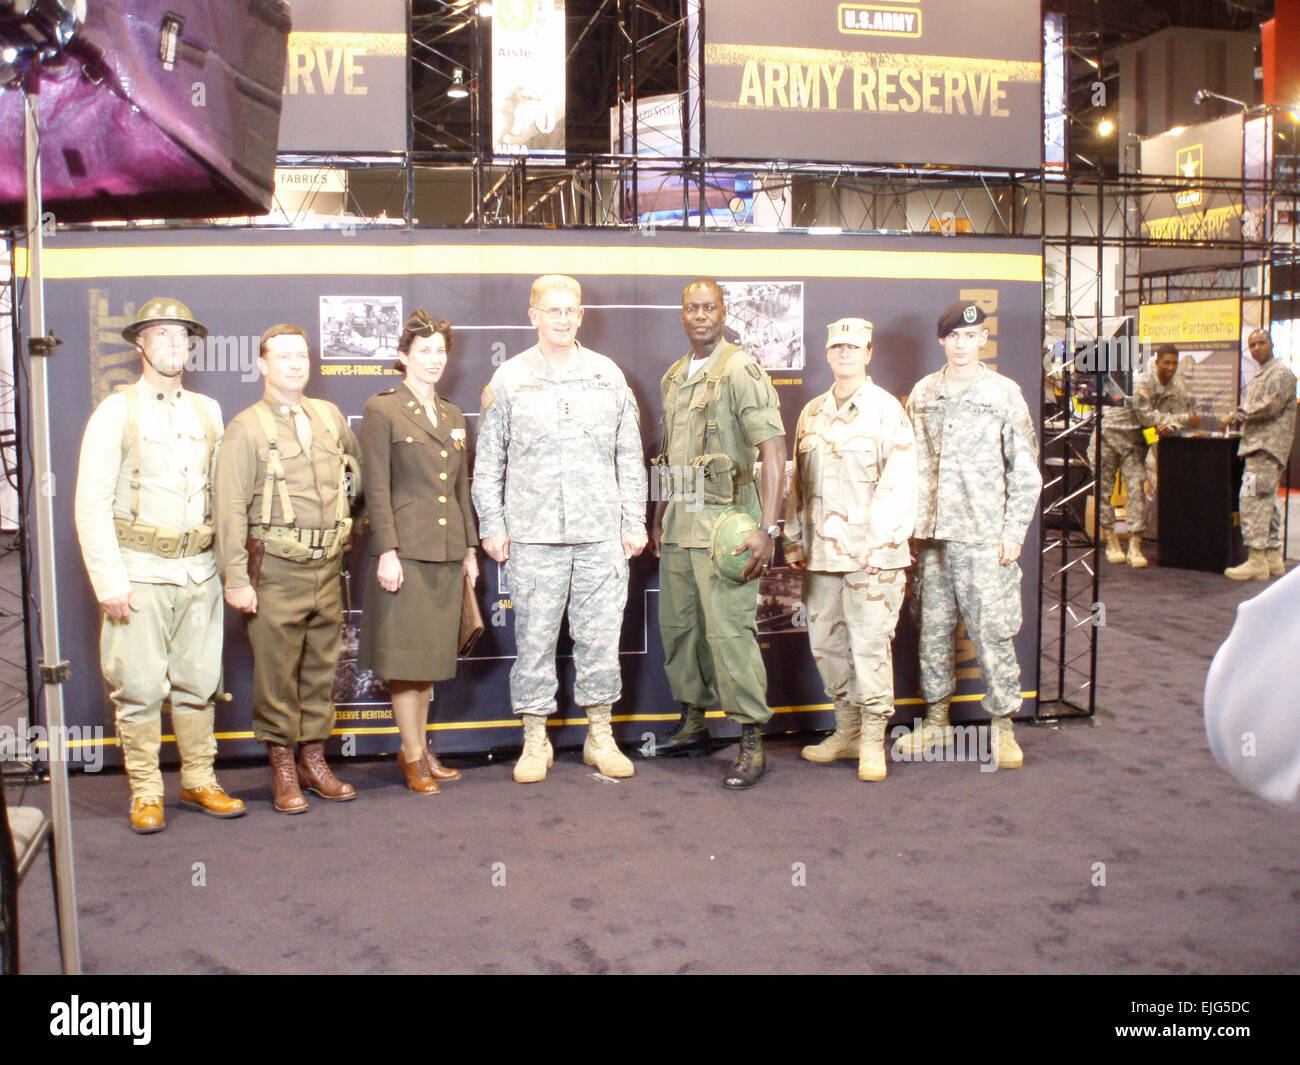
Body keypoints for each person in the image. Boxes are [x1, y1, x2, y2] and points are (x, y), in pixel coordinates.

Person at [74, 298, 246, 833]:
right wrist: (109, 580)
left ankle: (198, 779)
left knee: (198, 683)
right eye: (161, 335)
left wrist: (227, 568)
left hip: (199, 571)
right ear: (139, 345)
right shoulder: (116, 411)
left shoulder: (208, 410)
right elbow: (91, 503)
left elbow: (224, 495)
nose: (173, 345)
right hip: (140, 571)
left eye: (181, 336)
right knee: (141, 687)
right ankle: (146, 790)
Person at [472, 276, 647, 784]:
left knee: (600, 640)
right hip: (533, 536)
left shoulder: (607, 376)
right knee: (534, 641)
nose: (563, 319)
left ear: (581, 315)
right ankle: (535, 740)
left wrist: (633, 522)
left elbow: (629, 456)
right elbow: (489, 464)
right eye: (553, 311)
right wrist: (493, 524)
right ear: (533, 316)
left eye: (571, 310)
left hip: (600, 536)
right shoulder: (509, 379)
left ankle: (600, 737)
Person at [215, 324, 361, 812]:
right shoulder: (245, 428)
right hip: (276, 569)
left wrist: (348, 531)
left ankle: (313, 759)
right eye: (284, 357)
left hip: (327, 566)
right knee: (277, 674)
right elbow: (231, 506)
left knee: (322, 670)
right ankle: (282, 765)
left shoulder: (329, 416)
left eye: (301, 355)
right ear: (263, 364)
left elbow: (354, 477)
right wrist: (236, 579)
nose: (296, 364)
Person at [649, 278, 787, 789]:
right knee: (680, 630)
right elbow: (669, 458)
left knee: (729, 634)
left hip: (727, 526)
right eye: (691, 307)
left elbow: (773, 451)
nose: (700, 315)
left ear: (724, 312)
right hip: (680, 525)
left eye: (709, 307)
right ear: (682, 315)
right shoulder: (673, 377)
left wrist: (768, 528)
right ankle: (693, 723)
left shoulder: (741, 370)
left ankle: (751, 737)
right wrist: (657, 516)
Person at [897, 300, 1042, 770]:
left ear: (983, 339)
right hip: (933, 540)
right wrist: (908, 532)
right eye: (953, 337)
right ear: (943, 340)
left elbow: (1026, 472)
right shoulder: (923, 394)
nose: (962, 345)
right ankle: (936, 720)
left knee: (993, 634)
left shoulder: (1004, 394)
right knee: (932, 634)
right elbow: (908, 465)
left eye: (971, 336)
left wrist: (1013, 531)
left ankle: (1002, 728)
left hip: (984, 539)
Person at [783, 318, 917, 782]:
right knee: (827, 646)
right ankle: (846, 730)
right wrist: (794, 539)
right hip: (821, 557)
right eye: (836, 346)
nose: (844, 353)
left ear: (869, 352)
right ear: (826, 353)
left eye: (853, 347)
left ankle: (873, 741)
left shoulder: (886, 411)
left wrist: (879, 545)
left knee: (870, 648)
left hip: (871, 558)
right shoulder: (812, 413)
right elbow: (798, 484)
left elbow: (900, 485)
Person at [359, 311, 479, 794]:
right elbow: (377, 486)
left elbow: (459, 490)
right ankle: (412, 758)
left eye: (440, 351)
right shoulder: (382, 409)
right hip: (406, 552)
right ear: (403, 357)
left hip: (446, 552)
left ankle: (420, 746)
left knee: (428, 662)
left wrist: (470, 547)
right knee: (407, 665)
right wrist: (387, 550)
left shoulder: (452, 415)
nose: (434, 359)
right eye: (423, 350)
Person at [1092, 342, 1196, 567]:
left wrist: (1174, 425)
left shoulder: (1175, 390)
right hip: (1109, 437)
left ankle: (1135, 547)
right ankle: (1111, 541)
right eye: (1166, 363)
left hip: (1135, 444)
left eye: (1174, 363)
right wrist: (1179, 421)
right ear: (1157, 362)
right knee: (1104, 491)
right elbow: (1148, 419)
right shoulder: (1141, 382)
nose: (1171, 367)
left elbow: (1178, 417)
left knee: (1137, 490)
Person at [1221, 329, 1297, 580]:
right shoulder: (1263, 373)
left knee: (1251, 498)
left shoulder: (1279, 374)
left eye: (1261, 343)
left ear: (1272, 344)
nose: (1256, 349)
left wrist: (1235, 415)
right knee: (1268, 502)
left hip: (1264, 449)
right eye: (1252, 345)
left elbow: (1268, 406)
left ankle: (1255, 560)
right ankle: (1272, 556)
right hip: (1259, 449)